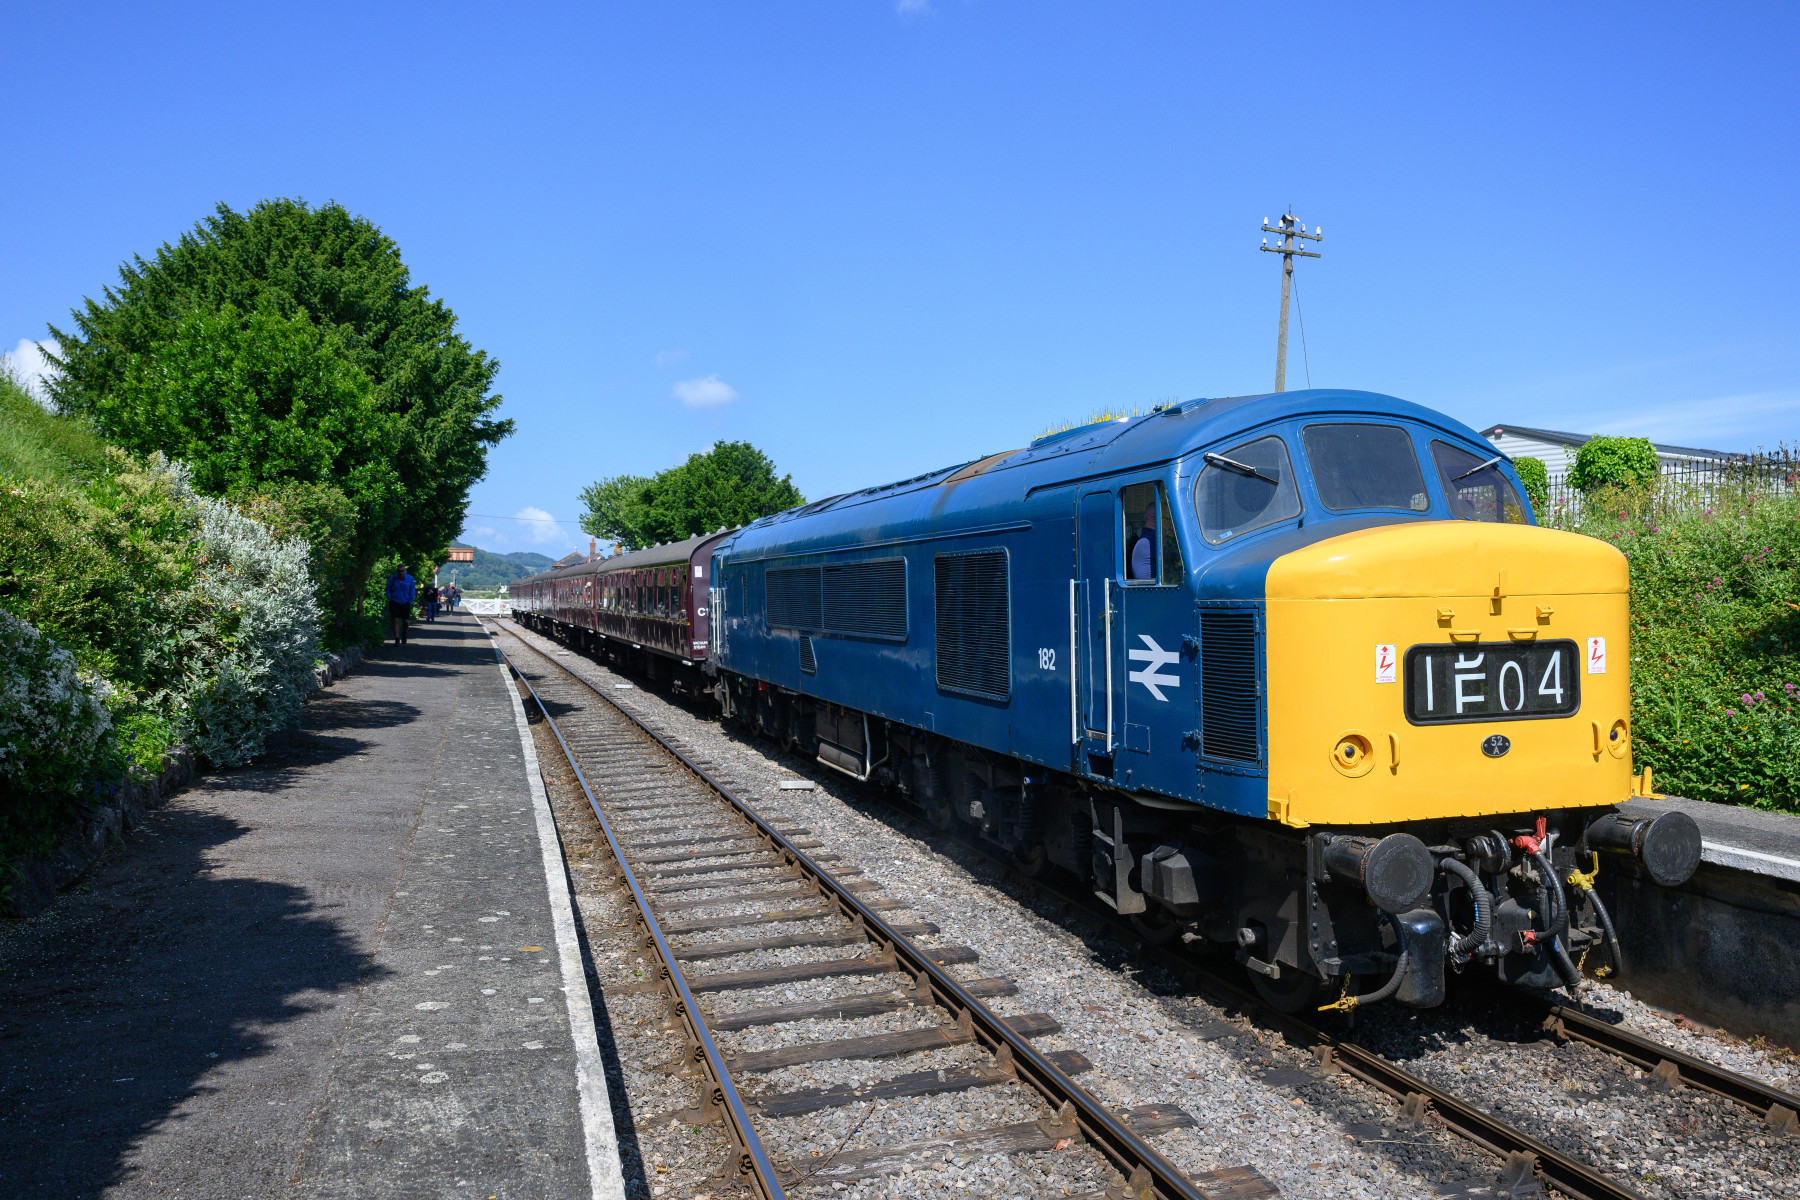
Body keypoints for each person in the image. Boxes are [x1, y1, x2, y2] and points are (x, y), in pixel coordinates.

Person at [386, 566, 417, 645]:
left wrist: (410, 601)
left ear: (404, 571)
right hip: (394, 601)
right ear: (397, 571)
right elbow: (388, 588)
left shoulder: (410, 578)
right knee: (396, 620)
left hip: (405, 602)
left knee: (405, 621)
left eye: (402, 571)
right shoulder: (393, 578)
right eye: (399, 571)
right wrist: (389, 597)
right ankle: (397, 639)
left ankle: (404, 633)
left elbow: (412, 590)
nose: (401, 572)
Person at [1128, 501, 1157, 581]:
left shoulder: (1145, 539)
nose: (1172, 524)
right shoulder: (1154, 539)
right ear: (1154, 520)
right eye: (1170, 519)